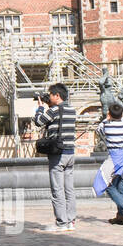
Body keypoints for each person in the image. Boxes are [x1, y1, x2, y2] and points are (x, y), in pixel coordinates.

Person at [34, 83, 79, 232]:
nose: (50, 96)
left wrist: (41, 108)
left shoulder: (53, 110)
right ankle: (71, 221)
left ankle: (61, 223)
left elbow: (38, 121)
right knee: (69, 189)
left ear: (57, 96)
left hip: (57, 154)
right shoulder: (72, 110)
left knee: (57, 189)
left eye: (51, 94)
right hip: (70, 153)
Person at [95, 102, 123, 224]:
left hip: (115, 158)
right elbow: (122, 118)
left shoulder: (107, 126)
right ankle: (122, 217)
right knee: (120, 185)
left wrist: (106, 118)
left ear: (109, 114)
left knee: (106, 184)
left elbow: (98, 130)